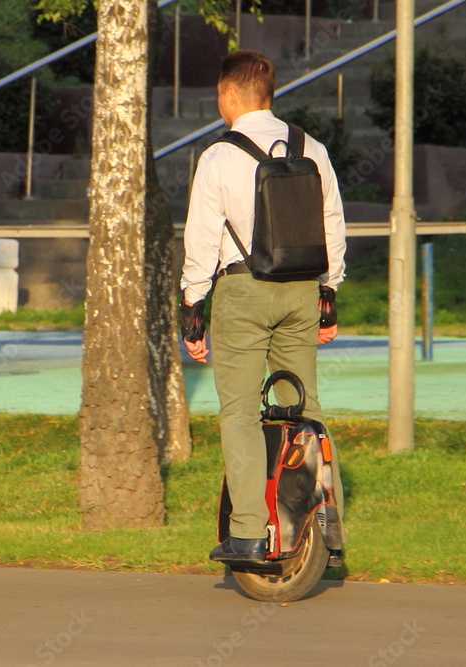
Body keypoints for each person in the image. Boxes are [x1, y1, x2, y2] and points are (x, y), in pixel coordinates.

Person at [179, 49, 347, 562]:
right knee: (306, 409)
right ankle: (325, 530)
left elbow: (202, 240)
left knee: (240, 414)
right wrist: (328, 294)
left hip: (243, 292)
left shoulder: (219, 157)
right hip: (301, 291)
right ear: (268, 94)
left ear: (229, 94)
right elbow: (332, 224)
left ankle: (249, 532)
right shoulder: (311, 147)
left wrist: (193, 307)